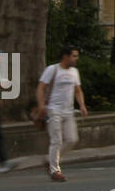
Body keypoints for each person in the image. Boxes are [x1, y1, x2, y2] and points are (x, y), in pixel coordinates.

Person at [34, 45, 88, 182]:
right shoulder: (52, 70)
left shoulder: (74, 72)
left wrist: (82, 105)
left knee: (72, 139)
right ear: (65, 56)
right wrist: (41, 106)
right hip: (53, 110)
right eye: (74, 56)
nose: (76, 59)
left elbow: (78, 90)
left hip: (68, 111)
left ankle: (49, 160)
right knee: (56, 140)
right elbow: (41, 88)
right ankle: (55, 170)